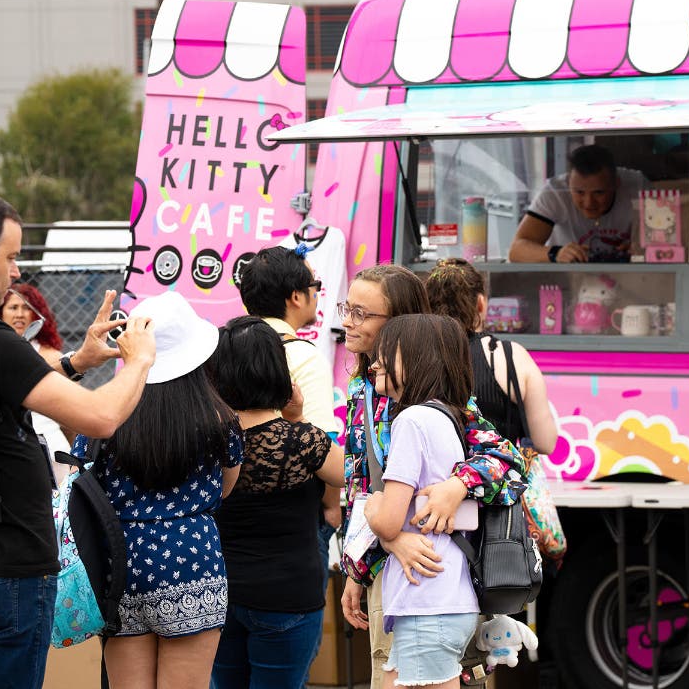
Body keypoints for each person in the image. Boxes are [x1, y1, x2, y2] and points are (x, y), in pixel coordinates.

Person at [0, 186, 155, 689]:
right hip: (6, 565)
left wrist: (77, 361)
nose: (17, 271)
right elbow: (102, 417)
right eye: (13, 255)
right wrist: (140, 359)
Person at [337, 264, 526, 689]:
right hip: (384, 566)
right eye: (347, 308)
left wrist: (456, 486)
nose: (347, 320)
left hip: (426, 576)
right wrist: (357, 565)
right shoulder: (361, 390)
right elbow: (360, 486)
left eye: (362, 313)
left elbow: (507, 460)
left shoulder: (427, 400)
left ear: (400, 326)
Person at [72, 290, 243, 689]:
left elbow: (81, 481)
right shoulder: (220, 419)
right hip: (192, 560)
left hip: (119, 563)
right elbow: (224, 489)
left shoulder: (102, 417)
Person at [205, 316, 345, 689]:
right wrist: (296, 419)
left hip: (219, 595)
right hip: (288, 596)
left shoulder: (207, 443)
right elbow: (352, 476)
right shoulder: (304, 440)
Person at [363, 314, 481, 689]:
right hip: (443, 599)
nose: (375, 363)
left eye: (386, 355)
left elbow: (387, 521)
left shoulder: (411, 421)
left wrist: (371, 504)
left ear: (417, 360)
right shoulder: (445, 417)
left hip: (426, 603)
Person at [237, 245, 341, 582]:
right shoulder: (303, 357)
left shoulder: (225, 349)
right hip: (296, 516)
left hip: (233, 508)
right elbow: (322, 442)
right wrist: (331, 507)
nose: (316, 296)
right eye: (315, 288)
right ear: (296, 297)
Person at [425, 257, 558, 453]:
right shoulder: (511, 356)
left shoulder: (415, 354)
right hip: (496, 480)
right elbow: (545, 442)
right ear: (480, 303)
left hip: (433, 482)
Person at [508, 143, 648, 264]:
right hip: (568, 280)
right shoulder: (556, 192)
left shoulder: (638, 187)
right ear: (568, 183)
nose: (588, 203)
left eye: (599, 192)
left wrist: (642, 248)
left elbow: (664, 242)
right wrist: (556, 254)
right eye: (579, 192)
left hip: (628, 279)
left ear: (617, 184)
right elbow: (516, 250)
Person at [0, 283, 72, 487]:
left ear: (37, 315)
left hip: (52, 449)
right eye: (13, 307)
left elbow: (69, 415)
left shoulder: (51, 355)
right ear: (0, 313)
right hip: (7, 450)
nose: (20, 314)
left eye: (26, 307)